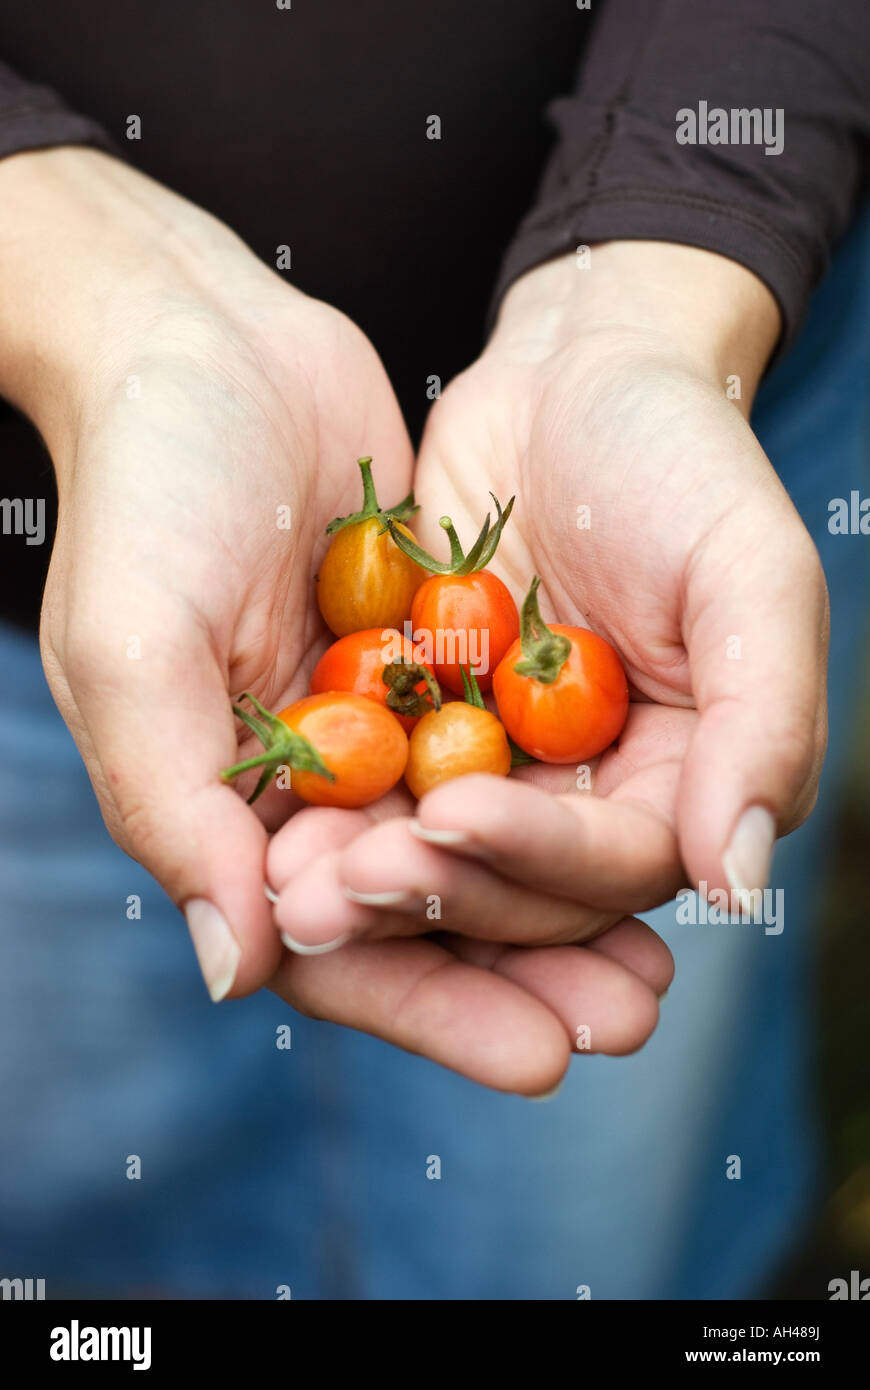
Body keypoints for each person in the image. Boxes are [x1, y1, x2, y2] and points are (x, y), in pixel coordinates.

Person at [0, 1, 868, 1297]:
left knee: (583, 1222)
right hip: (40, 587)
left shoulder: (453, 657)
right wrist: (67, 265)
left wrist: (667, 252)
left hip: (723, 385)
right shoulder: (406, 661)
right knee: (97, 1204)